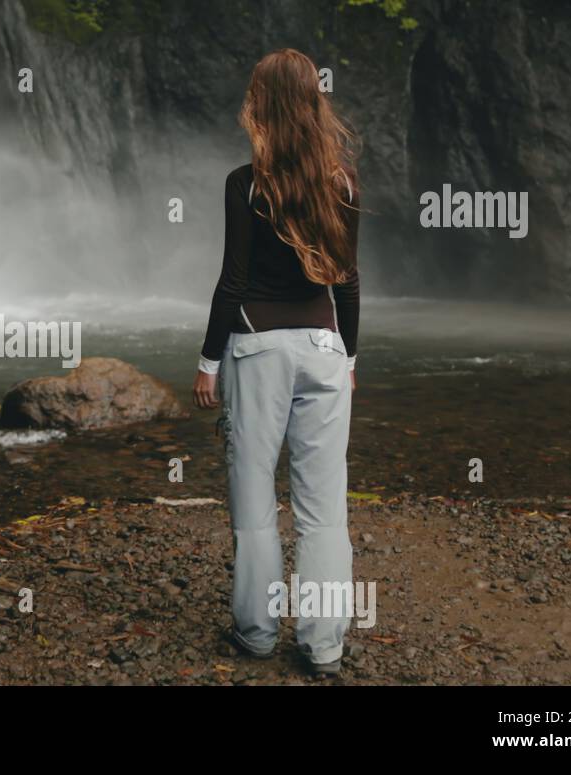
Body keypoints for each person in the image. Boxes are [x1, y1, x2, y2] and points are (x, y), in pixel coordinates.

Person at [191, 48, 361, 676]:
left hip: (257, 349)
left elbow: (232, 282)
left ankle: (258, 632)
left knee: (254, 497)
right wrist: (349, 356)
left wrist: (209, 361)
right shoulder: (341, 182)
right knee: (324, 507)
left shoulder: (247, 183)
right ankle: (323, 644)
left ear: (259, 104)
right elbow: (347, 282)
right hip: (323, 351)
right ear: (316, 103)